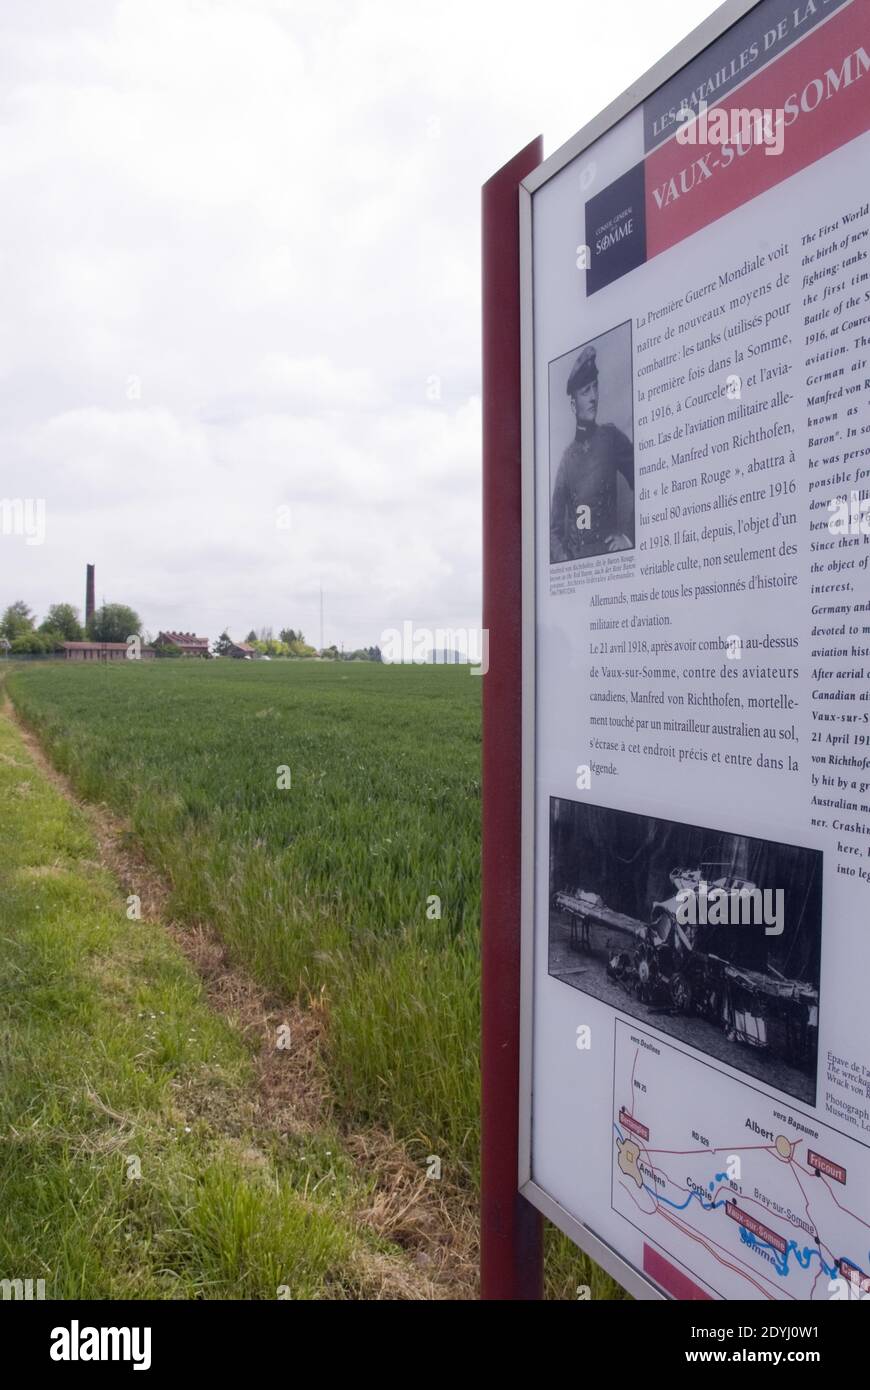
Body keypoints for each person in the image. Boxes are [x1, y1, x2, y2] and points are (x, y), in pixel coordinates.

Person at [550, 344, 634, 562]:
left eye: (595, 387)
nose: (593, 397)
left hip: (609, 563)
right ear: (573, 404)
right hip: (578, 565)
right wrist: (564, 561)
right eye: (585, 391)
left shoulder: (611, 438)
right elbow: (554, 530)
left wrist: (629, 536)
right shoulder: (567, 460)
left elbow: (647, 480)